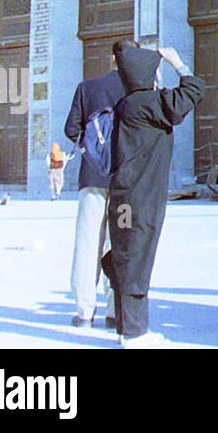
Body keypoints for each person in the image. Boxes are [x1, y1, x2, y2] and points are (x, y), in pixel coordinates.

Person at [102, 43, 205, 348]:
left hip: (124, 194)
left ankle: (127, 327)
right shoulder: (148, 103)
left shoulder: (128, 104)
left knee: (127, 253)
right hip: (141, 196)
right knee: (136, 256)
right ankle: (135, 334)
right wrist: (178, 63)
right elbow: (194, 90)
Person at [63, 49, 126, 328]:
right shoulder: (140, 91)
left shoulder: (87, 88)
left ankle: (84, 309)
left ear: (111, 58)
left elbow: (71, 129)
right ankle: (116, 309)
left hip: (93, 178)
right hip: (126, 184)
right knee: (121, 242)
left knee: (88, 241)